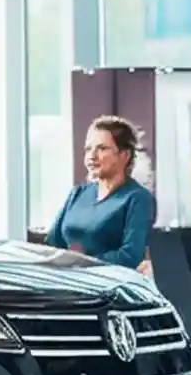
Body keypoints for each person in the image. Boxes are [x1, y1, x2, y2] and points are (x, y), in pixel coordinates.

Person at [46, 115, 155, 269]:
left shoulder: (137, 198)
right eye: (88, 149)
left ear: (124, 155)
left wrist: (80, 263)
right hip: (67, 280)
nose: (92, 155)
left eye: (102, 148)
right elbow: (52, 243)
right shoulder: (77, 193)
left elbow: (130, 256)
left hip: (106, 285)